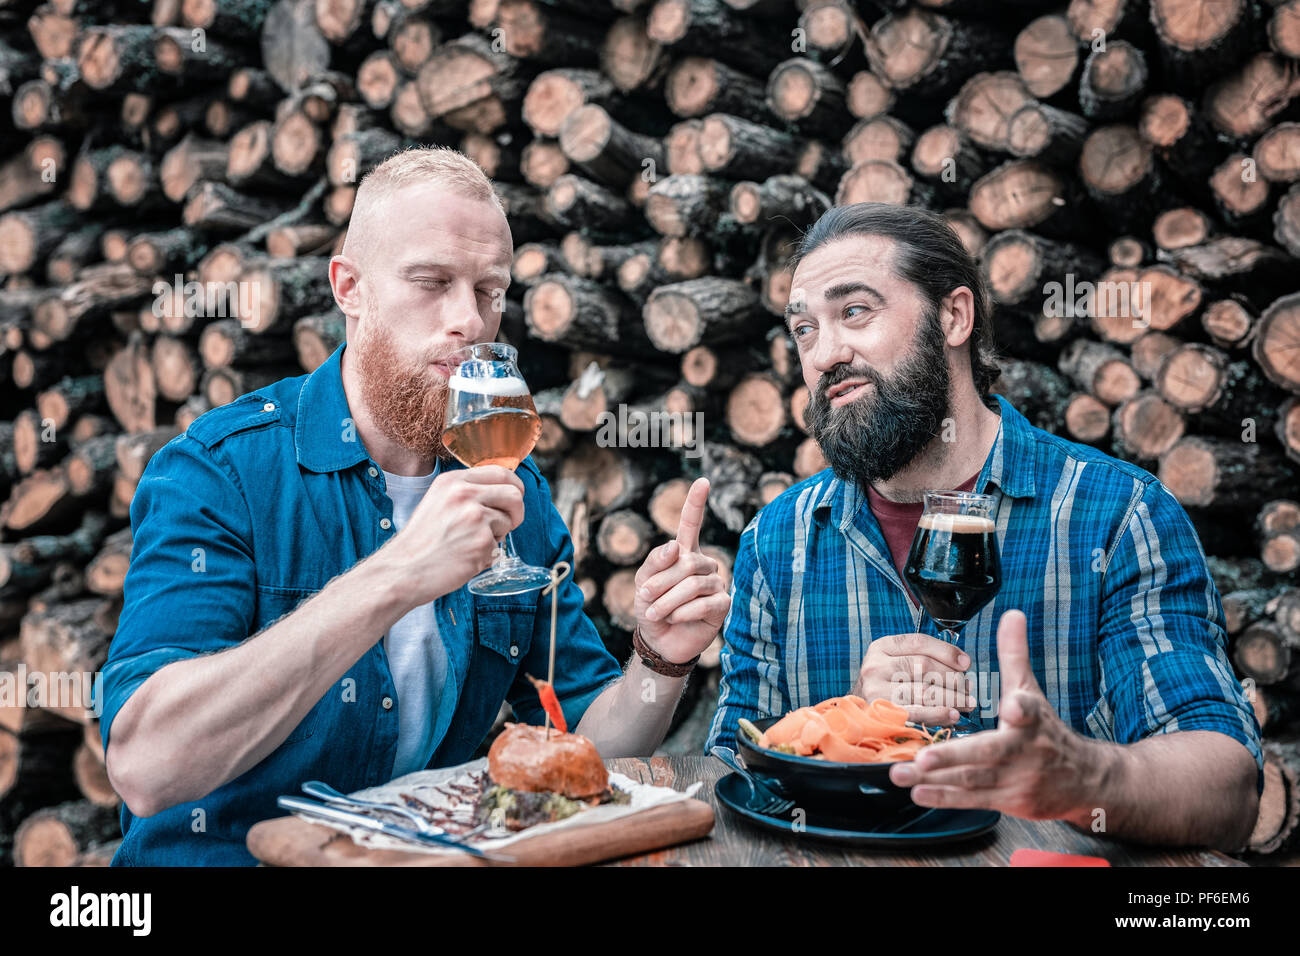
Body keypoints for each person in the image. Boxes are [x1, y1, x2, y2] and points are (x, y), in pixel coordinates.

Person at [98, 147, 729, 865]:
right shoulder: (222, 473)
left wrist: (658, 659)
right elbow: (146, 767)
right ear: (349, 288)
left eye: (490, 290)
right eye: (432, 282)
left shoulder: (512, 491)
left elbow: (587, 751)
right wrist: (399, 573)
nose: (469, 319)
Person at [705, 202, 1263, 851]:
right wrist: (842, 725)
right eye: (804, 329)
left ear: (954, 316)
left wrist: (1083, 775)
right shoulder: (778, 541)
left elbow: (1230, 792)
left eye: (854, 311)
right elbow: (736, 769)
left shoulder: (1116, 515)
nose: (825, 353)